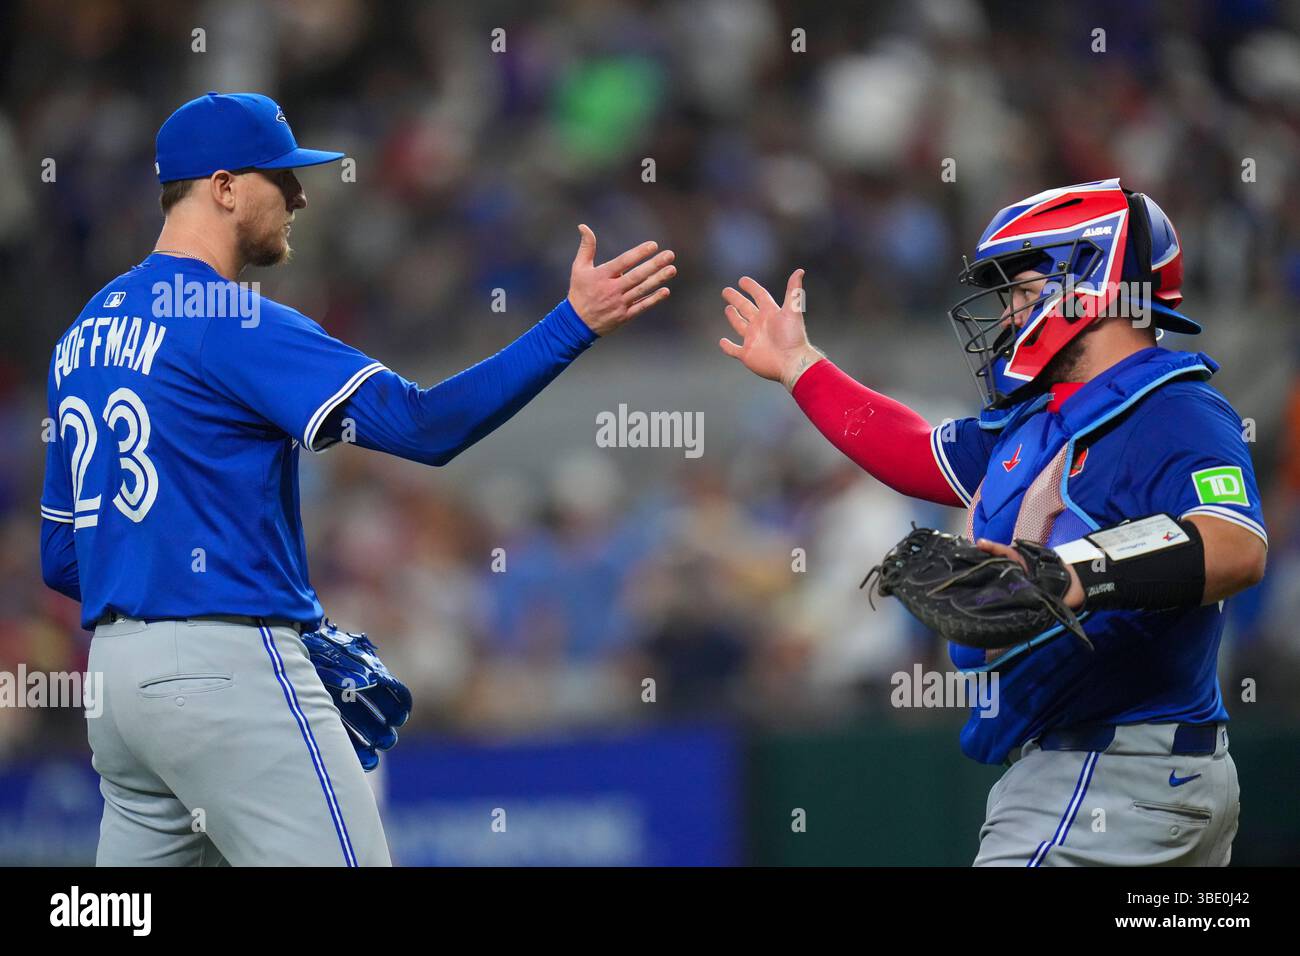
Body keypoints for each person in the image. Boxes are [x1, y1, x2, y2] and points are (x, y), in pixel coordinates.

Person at [39, 91, 675, 866]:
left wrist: (163, 607)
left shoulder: (83, 335)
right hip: (227, 668)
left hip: (118, 688)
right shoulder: (229, 319)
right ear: (225, 186)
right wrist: (570, 324)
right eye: (283, 176)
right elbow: (424, 426)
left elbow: (64, 558)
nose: (302, 194)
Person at [719, 179, 1266, 866]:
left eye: (1022, 288)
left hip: (1104, 770)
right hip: (1130, 770)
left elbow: (1236, 545)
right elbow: (914, 451)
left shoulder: (1171, 406)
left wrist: (1065, 574)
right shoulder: (1046, 417)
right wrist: (800, 367)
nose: (1007, 313)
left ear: (1088, 278)